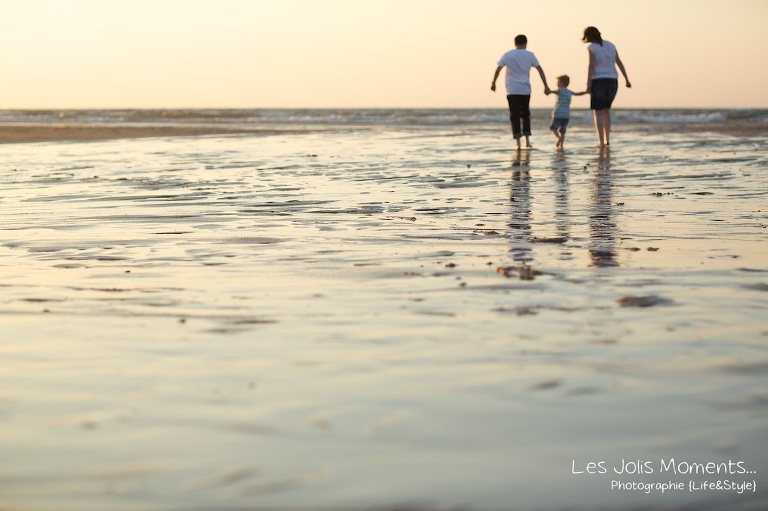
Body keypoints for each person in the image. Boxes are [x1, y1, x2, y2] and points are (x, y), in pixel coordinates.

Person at [491, 34, 551, 150]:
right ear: (525, 43)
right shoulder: (530, 55)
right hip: (525, 88)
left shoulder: (508, 54)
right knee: (525, 114)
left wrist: (493, 83)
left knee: (515, 115)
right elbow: (540, 70)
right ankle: (527, 141)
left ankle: (518, 142)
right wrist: (546, 86)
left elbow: (498, 69)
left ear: (515, 43)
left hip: (511, 89)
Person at [583, 26, 631, 147]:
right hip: (612, 80)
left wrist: (588, 83)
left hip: (598, 79)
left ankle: (601, 141)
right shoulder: (611, 45)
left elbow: (591, 65)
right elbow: (619, 62)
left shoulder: (592, 48)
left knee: (598, 112)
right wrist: (626, 79)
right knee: (606, 110)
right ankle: (607, 139)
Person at [549, 75, 587, 149]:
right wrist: (586, 92)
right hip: (566, 115)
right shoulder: (569, 92)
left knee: (553, 128)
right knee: (563, 131)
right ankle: (561, 145)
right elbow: (578, 93)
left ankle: (559, 138)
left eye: (558, 82)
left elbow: (553, 92)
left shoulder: (560, 91)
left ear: (562, 83)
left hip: (558, 114)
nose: (557, 84)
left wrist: (548, 91)